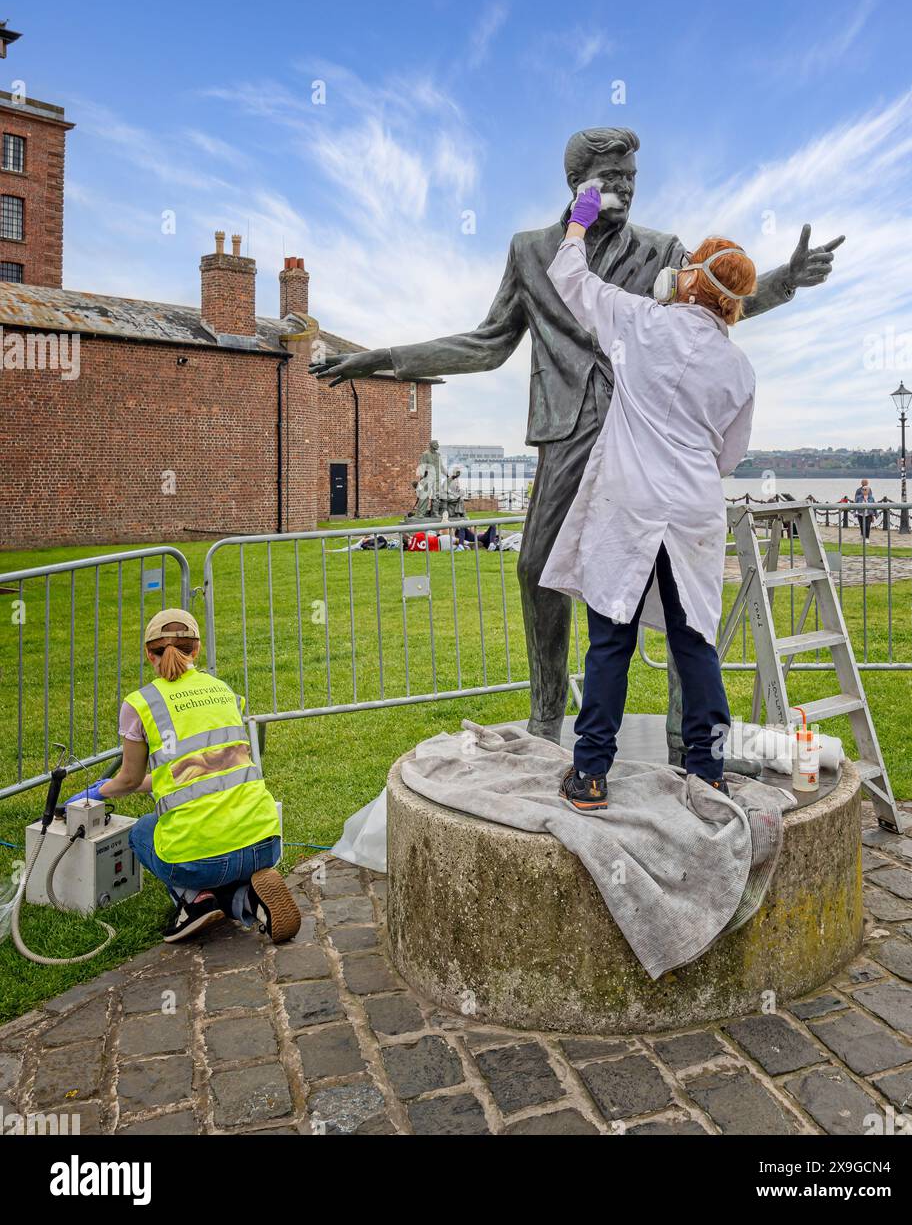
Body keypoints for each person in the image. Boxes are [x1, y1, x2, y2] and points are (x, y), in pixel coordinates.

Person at [317, 126, 844, 763]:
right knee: (536, 567)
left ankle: (687, 733)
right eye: (613, 176)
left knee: (677, 580)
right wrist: (384, 359)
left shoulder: (661, 250)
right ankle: (547, 718)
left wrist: (784, 280)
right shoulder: (531, 250)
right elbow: (488, 344)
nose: (626, 187)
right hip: (566, 431)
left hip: (641, 432)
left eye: (632, 177)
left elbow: (716, 301)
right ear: (577, 182)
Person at [540, 188, 756, 812]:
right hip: (693, 511)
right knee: (695, 644)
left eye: (687, 264)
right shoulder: (739, 368)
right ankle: (708, 775)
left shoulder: (641, 321)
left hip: (630, 506)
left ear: (693, 280)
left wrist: (578, 226)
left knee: (611, 639)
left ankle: (591, 775)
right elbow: (729, 457)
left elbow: (572, 281)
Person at [67, 609, 301, 943]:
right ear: (197, 649)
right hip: (264, 844)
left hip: (199, 862)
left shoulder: (141, 703)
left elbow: (129, 779)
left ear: (149, 653)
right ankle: (248, 899)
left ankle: (194, 900)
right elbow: (200, 770)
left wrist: (99, 791)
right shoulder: (223, 691)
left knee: (143, 831)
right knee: (226, 860)